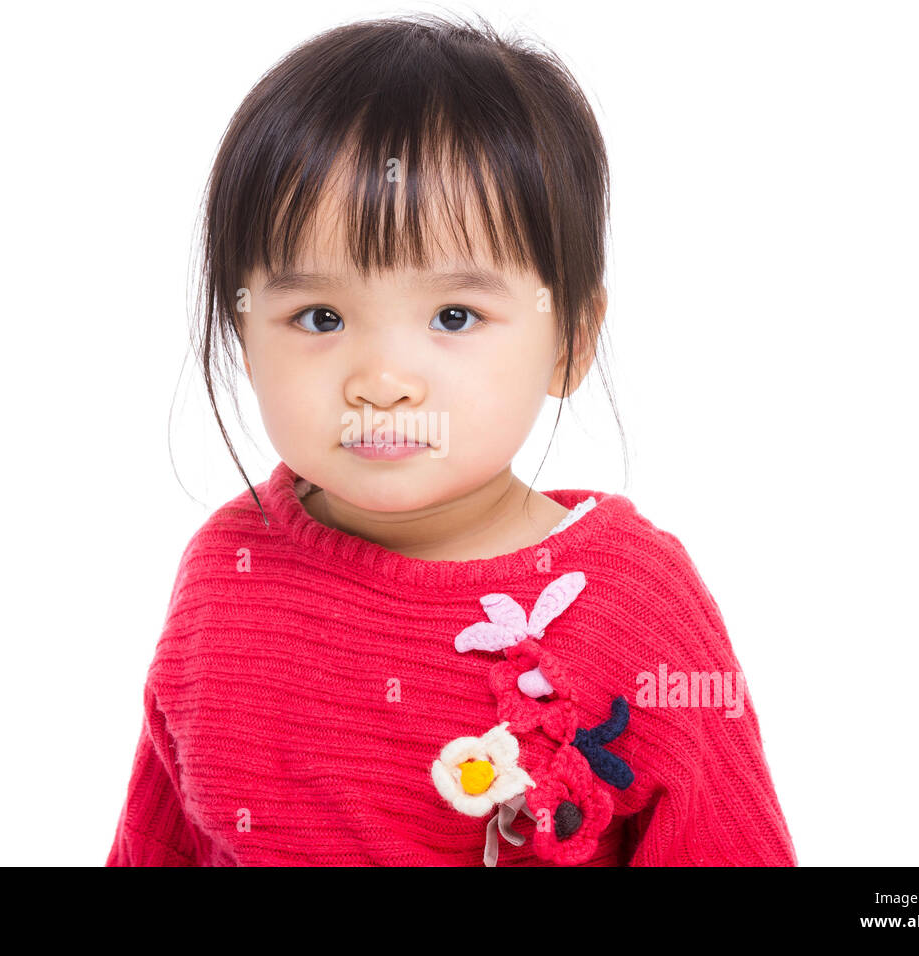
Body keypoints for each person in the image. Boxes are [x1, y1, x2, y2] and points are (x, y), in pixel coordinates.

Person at [107, 12, 796, 866]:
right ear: (244, 336)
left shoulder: (630, 606)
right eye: (319, 317)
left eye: (455, 316)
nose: (384, 379)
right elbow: (158, 843)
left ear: (570, 338)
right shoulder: (224, 574)